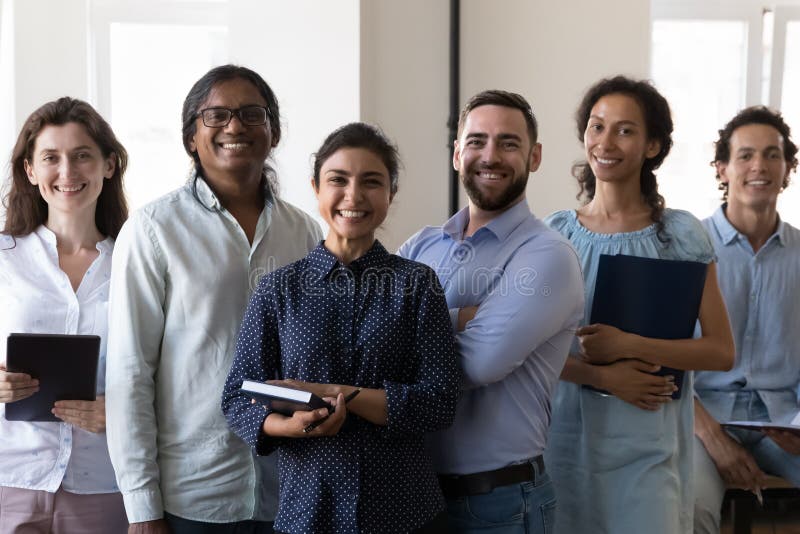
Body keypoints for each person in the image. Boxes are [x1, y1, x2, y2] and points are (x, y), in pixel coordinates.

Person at [106, 65, 322, 534]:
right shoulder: (153, 230)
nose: (235, 126)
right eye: (216, 115)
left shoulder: (303, 231)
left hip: (287, 488)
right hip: (194, 495)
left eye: (252, 114)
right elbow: (129, 372)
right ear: (191, 137)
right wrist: (142, 507)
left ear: (274, 132)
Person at [222, 122, 460, 534]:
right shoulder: (279, 289)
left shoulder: (417, 285)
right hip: (306, 510)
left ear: (391, 194)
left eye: (371, 181)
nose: (354, 196)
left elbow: (439, 402)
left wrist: (331, 394)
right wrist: (286, 425)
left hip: (402, 513)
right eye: (338, 180)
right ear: (316, 188)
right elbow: (236, 398)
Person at [543, 75, 735, 534]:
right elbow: (531, 350)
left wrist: (630, 344)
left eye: (625, 130)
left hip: (651, 445)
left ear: (652, 146)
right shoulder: (554, 236)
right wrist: (602, 374)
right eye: (596, 126)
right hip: (568, 443)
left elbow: (720, 351)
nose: (605, 142)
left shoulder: (682, 234)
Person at [398, 90, 585, 533]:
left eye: (509, 143)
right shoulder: (421, 245)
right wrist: (463, 316)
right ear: (458, 154)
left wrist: (414, 326)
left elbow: (479, 364)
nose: (491, 156)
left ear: (534, 156)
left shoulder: (547, 255)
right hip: (414, 496)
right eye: (477, 141)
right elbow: (375, 338)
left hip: (497, 505)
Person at [0, 97, 129, 533]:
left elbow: (167, 370)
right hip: (9, 479)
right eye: (51, 158)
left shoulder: (135, 264)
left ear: (108, 165)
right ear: (30, 171)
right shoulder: (3, 259)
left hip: (102, 482)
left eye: (82, 156)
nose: (68, 172)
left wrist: (122, 411)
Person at [693, 106, 800, 534]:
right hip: (704, 420)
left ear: (788, 167)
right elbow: (662, 366)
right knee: (691, 510)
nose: (760, 166)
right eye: (746, 155)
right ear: (722, 168)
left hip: (784, 421)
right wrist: (713, 437)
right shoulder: (687, 246)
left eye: (772, 155)